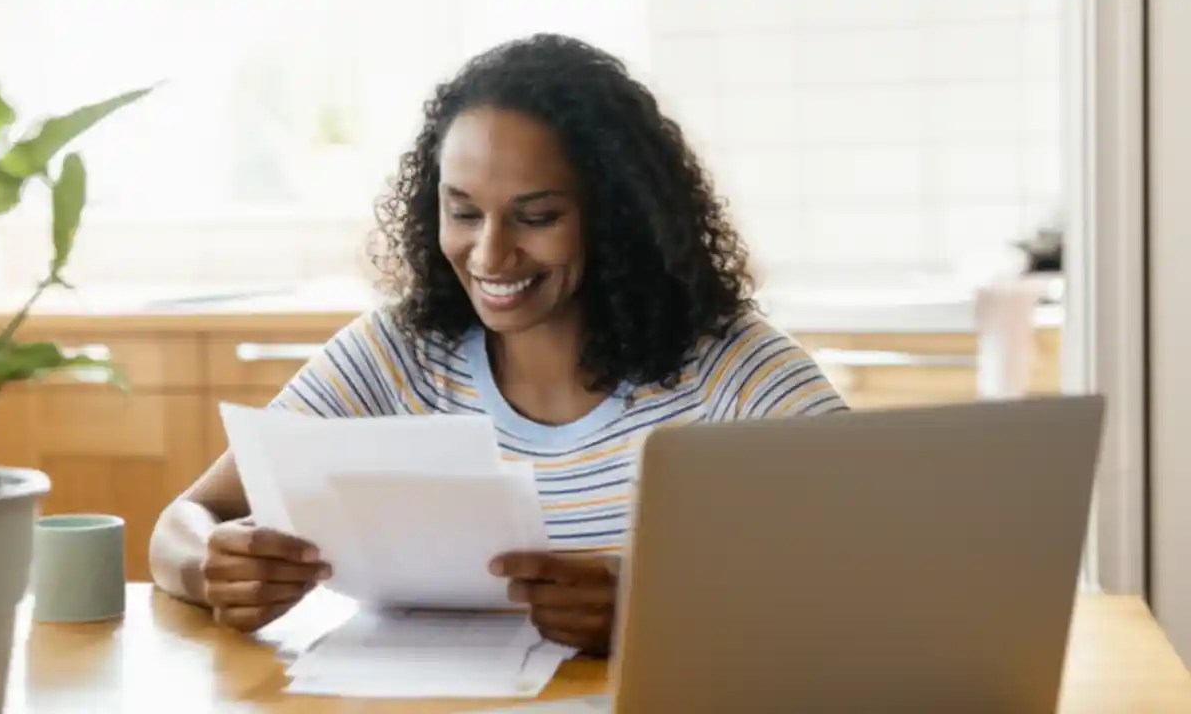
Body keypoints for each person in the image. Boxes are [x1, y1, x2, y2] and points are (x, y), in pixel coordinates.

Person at [149, 34, 847, 656]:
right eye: (463, 212)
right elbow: (181, 521)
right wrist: (209, 565)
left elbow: (883, 565)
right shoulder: (398, 354)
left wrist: (656, 607)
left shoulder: (731, 370)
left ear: (618, 216)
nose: (490, 254)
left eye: (536, 216)